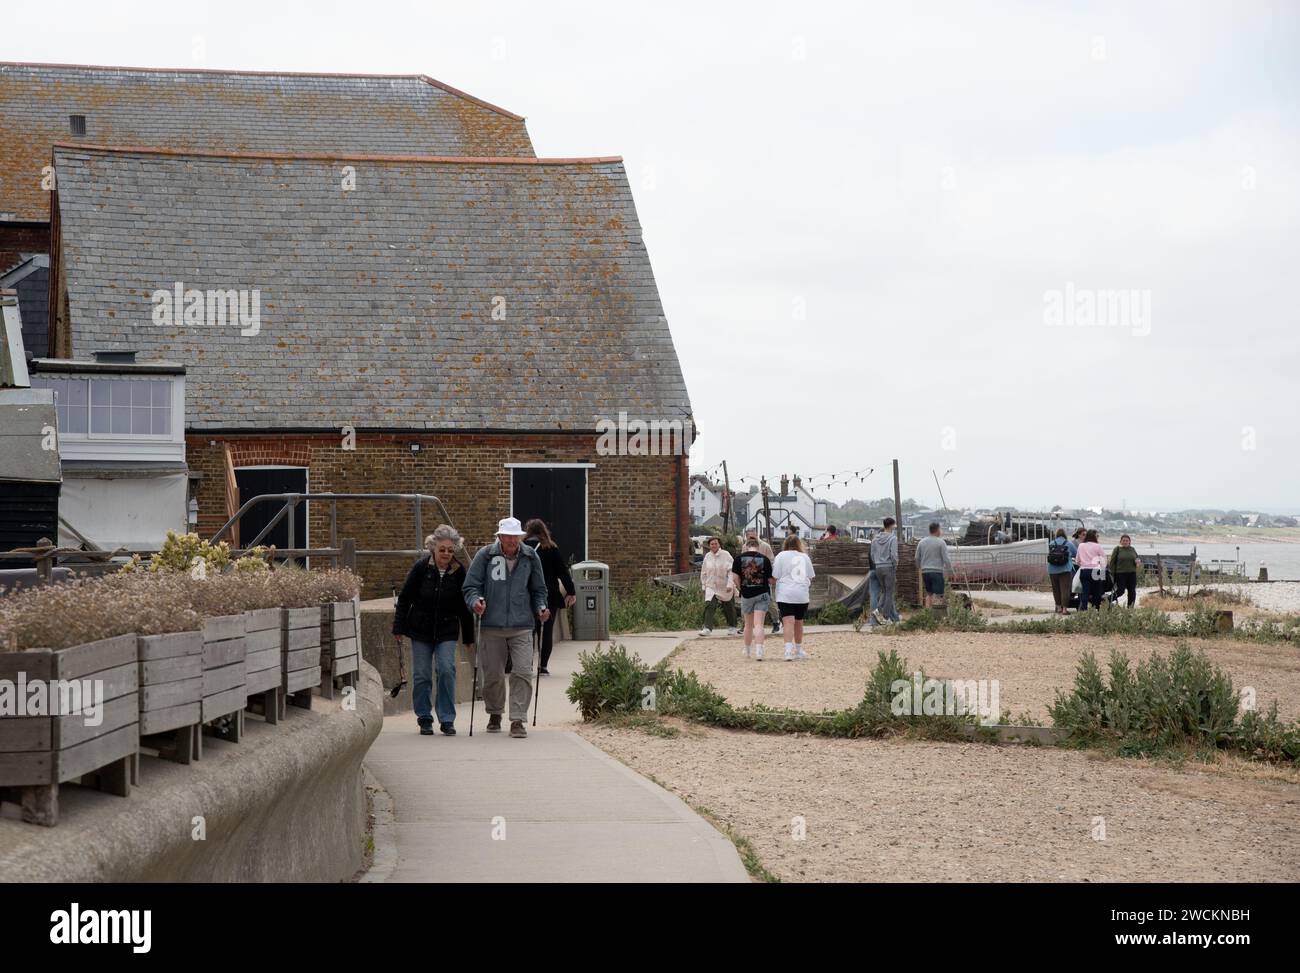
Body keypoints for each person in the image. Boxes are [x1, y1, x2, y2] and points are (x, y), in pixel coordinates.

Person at [463, 517, 550, 738]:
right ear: (499, 537)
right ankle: (494, 713)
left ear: (521, 537)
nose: (512, 541)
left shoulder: (531, 557)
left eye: (516, 537)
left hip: (522, 624)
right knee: (493, 674)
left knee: (522, 671)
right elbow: (471, 586)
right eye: (507, 536)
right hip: (491, 624)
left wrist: (541, 607)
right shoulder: (485, 555)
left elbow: (539, 589)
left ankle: (518, 719)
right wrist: (475, 601)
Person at [393, 525, 475, 736]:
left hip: (447, 629)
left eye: (450, 549)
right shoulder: (421, 568)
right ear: (433, 548)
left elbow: (464, 605)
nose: (446, 553)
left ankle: (447, 718)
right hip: (420, 629)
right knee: (421, 675)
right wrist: (399, 627)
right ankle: (424, 717)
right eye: (442, 549)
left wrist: (468, 635)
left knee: (447, 670)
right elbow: (405, 598)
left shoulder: (458, 571)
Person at [522, 518, 576, 675]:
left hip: (527, 595)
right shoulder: (551, 549)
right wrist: (571, 591)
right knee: (546, 632)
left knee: (528, 632)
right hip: (550, 595)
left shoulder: (522, 548)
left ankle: (527, 665)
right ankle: (543, 666)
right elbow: (563, 572)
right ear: (544, 531)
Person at [772, 534, 815, 660]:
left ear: (785, 545)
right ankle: (799, 649)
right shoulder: (805, 557)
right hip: (801, 594)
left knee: (788, 622)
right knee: (799, 622)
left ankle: (787, 651)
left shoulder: (780, 556)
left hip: (785, 594)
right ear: (799, 544)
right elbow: (811, 576)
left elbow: (775, 576)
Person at [732, 538, 775, 660]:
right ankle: (759, 651)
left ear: (746, 546)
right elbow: (771, 579)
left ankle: (747, 650)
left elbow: (735, 578)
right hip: (762, 593)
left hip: (746, 594)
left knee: (748, 625)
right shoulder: (765, 559)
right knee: (759, 624)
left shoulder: (738, 559)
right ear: (758, 546)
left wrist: (741, 588)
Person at [744, 527, 782, 634]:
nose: (751, 538)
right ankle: (747, 625)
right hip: (749, 578)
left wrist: (768, 574)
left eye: (753, 536)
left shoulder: (765, 546)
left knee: (769, 600)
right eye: (749, 536)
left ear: (757, 535)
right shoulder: (744, 546)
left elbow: (772, 561)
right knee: (747, 601)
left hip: (763, 577)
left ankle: (776, 622)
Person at [698, 536, 738, 636]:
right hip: (711, 585)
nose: (714, 545)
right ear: (709, 545)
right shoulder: (707, 556)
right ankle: (707, 628)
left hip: (724, 586)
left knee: (729, 606)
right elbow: (704, 572)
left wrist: (730, 584)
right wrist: (704, 586)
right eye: (712, 544)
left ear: (719, 544)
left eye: (716, 543)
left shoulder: (726, 555)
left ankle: (732, 626)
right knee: (709, 605)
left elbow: (731, 571)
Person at [914, 522, 952, 609]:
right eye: (940, 529)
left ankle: (928, 613)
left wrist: (920, 567)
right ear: (937, 530)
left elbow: (916, 558)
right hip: (937, 572)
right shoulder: (941, 542)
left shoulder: (922, 542)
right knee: (939, 594)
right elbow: (946, 559)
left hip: (925, 572)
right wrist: (950, 570)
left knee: (929, 593)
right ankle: (937, 614)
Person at [869, 517, 900, 624]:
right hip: (889, 567)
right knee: (889, 593)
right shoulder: (893, 538)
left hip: (878, 567)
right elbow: (893, 555)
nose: (895, 527)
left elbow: (872, 555)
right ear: (891, 526)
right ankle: (885, 616)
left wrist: (877, 562)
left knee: (885, 591)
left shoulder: (875, 539)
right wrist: (895, 565)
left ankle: (878, 611)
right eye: (894, 525)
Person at [1074, 529, 1107, 611]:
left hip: (1084, 570)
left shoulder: (1081, 545)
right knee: (1097, 591)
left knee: (1085, 591)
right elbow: (1103, 560)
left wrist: (1082, 565)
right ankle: (1097, 608)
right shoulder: (1098, 546)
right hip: (1096, 570)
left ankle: (1084, 609)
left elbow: (1077, 560)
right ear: (1094, 537)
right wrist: (1102, 570)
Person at [1047, 528, 1076, 615]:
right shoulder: (1069, 543)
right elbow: (1075, 553)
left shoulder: (1052, 543)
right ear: (1064, 535)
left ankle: (1058, 608)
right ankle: (1064, 609)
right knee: (1065, 590)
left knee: (1056, 590)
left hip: (1052, 570)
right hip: (1065, 569)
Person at [1109, 534, 1142, 607]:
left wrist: (1138, 561)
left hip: (1132, 573)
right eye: (1123, 540)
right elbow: (1112, 563)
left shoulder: (1132, 549)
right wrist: (1112, 574)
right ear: (1120, 541)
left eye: (1127, 541)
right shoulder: (1117, 549)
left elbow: (1137, 558)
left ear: (1129, 542)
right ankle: (1107, 600)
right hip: (1120, 574)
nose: (1125, 542)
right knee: (1120, 591)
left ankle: (1130, 608)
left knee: (1132, 591)